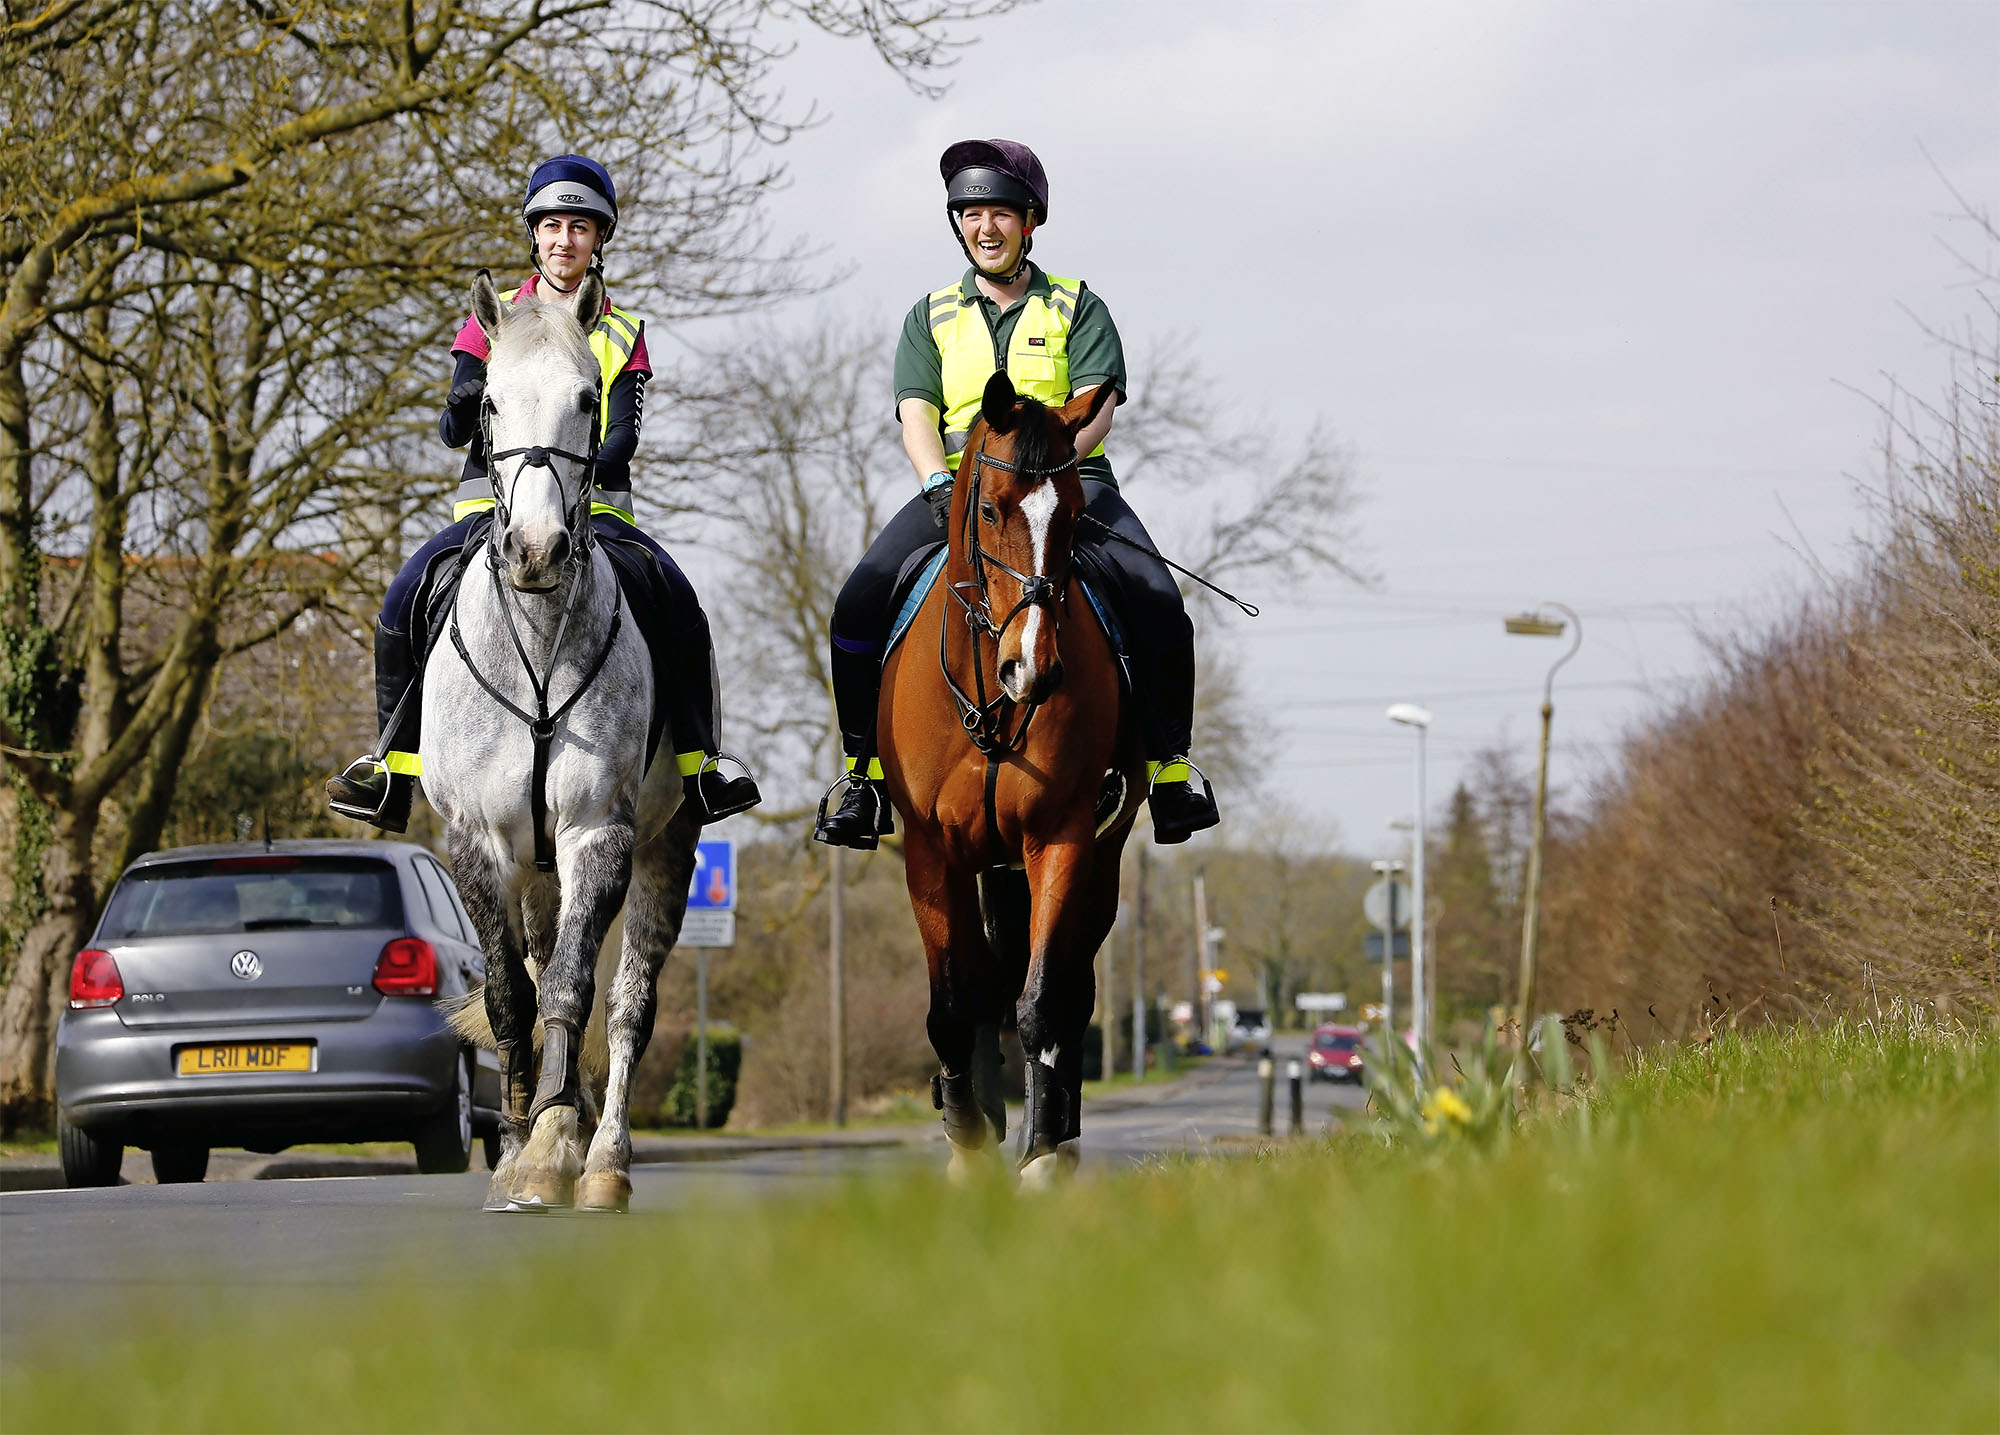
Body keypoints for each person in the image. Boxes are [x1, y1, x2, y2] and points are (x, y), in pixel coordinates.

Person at [326, 154, 759, 832]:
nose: (565, 240)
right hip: (489, 512)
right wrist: (464, 396)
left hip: (597, 514)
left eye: (580, 227)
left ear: (599, 239)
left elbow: (621, 437)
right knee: (404, 597)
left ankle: (702, 764)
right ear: (535, 236)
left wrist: (574, 484)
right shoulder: (493, 318)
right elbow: (453, 430)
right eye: (552, 226)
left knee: (679, 602)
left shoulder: (620, 331)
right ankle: (391, 767)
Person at [812, 138, 1219, 851]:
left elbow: (1097, 411)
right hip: (963, 491)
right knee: (856, 605)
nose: (986, 228)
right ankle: (864, 777)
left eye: (1001, 213)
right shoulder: (930, 315)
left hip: (1069, 487)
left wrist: (1049, 472)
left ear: (1030, 223)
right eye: (970, 214)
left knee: (1158, 600)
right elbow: (917, 412)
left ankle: (1170, 769)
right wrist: (939, 481)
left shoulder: (1078, 305)